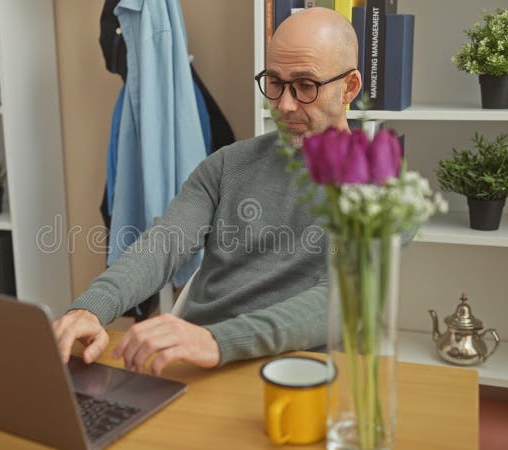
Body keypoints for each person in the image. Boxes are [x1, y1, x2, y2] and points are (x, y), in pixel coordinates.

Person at [53, 7, 363, 375]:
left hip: (302, 371)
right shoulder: (228, 165)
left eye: (306, 85)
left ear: (349, 88)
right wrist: (90, 308)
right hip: (200, 364)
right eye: (275, 82)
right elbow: (163, 244)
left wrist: (217, 341)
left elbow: (343, 298)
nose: (284, 104)